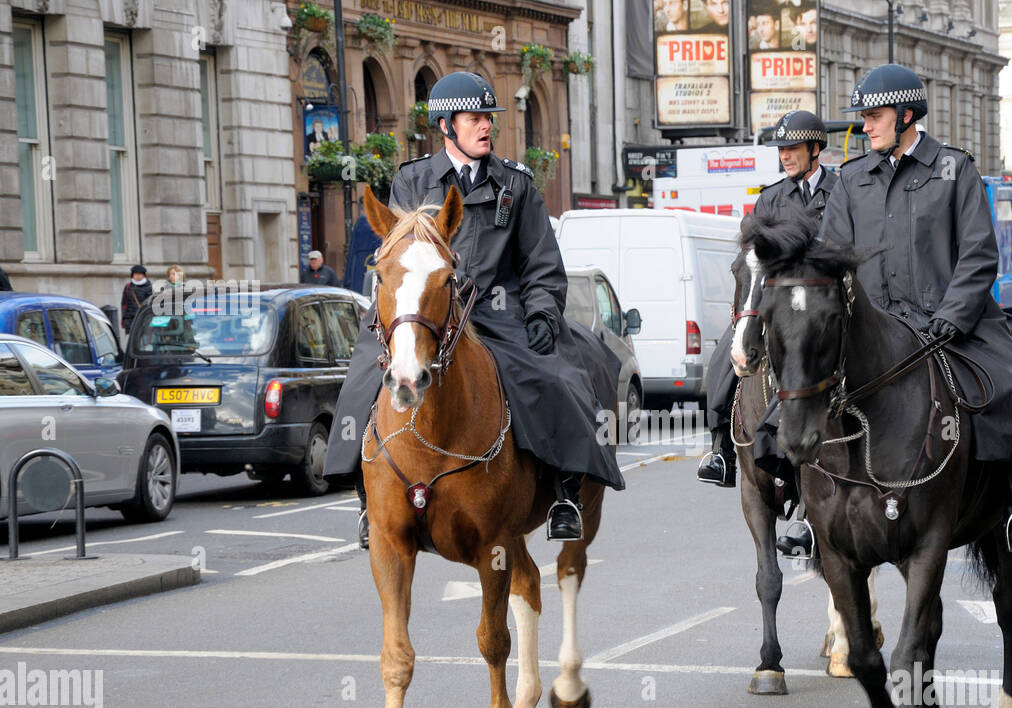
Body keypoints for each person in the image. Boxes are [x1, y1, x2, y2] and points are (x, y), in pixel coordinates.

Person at [323, 71, 624, 548]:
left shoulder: (516, 185)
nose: (486, 126)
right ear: (446, 125)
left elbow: (542, 265)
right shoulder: (412, 181)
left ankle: (566, 493)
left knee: (557, 378)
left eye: (488, 118)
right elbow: (398, 259)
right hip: (419, 313)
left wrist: (543, 314)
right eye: (474, 118)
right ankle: (367, 499)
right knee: (362, 377)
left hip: (496, 315)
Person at [819, 64, 1012, 551]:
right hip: (871, 329)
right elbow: (832, 256)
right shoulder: (850, 180)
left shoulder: (955, 169)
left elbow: (979, 256)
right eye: (864, 118)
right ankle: (806, 513)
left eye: (874, 116)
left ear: (907, 114)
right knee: (796, 393)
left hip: (949, 325)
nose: (865, 126)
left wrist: (950, 319)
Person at [697, 109, 838, 556]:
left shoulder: (840, 192)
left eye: (793, 149)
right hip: (772, 303)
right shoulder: (771, 198)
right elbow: (753, 250)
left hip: (815, 303)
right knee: (725, 354)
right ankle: (720, 444)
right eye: (781, 150)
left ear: (816, 149)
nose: (786, 157)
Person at [120, 265, 152, 339]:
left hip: (144, 319)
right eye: (135, 274)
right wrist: (125, 320)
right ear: (132, 275)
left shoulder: (149, 287)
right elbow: (124, 304)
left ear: (144, 275)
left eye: (140, 274)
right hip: (131, 320)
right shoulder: (128, 287)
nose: (137, 276)